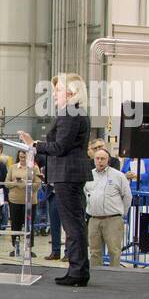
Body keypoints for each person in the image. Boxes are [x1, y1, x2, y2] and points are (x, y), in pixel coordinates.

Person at [20, 73, 93, 286]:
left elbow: (60, 147)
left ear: (71, 92)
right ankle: (78, 269)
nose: (53, 94)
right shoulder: (75, 112)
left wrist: (35, 145)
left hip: (67, 174)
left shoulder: (69, 112)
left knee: (72, 225)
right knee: (74, 224)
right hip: (70, 173)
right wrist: (38, 144)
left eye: (57, 90)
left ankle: (77, 270)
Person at [85, 147, 132, 268]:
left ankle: (114, 279)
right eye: (97, 158)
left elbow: (127, 196)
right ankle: (95, 276)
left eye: (102, 159)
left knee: (114, 251)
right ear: (94, 160)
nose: (100, 161)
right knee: (94, 252)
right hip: (94, 219)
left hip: (113, 220)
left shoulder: (118, 176)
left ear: (108, 160)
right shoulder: (89, 175)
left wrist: (122, 214)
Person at [5, 150, 41, 257]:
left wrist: (27, 184)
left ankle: (29, 248)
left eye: (24, 157)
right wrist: (15, 183)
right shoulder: (12, 167)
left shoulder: (34, 168)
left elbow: (37, 184)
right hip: (15, 201)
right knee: (15, 225)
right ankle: (15, 247)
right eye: (21, 157)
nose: (22, 159)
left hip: (29, 202)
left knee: (29, 225)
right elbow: (6, 183)